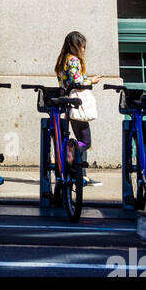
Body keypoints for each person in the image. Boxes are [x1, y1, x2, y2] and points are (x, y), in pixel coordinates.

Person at [55, 30, 102, 187]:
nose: (84, 50)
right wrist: (91, 81)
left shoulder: (63, 60)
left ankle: (82, 175)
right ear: (75, 46)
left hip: (65, 102)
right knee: (85, 142)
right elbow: (77, 82)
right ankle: (70, 150)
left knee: (75, 138)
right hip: (75, 102)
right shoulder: (74, 60)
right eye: (82, 47)